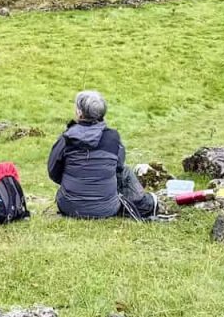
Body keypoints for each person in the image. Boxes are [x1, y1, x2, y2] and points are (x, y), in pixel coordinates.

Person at [47, 90, 158, 220]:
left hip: (69, 207)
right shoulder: (113, 138)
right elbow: (118, 167)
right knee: (126, 171)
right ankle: (143, 203)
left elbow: (53, 171)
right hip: (108, 209)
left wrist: (74, 178)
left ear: (79, 112)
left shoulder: (66, 138)